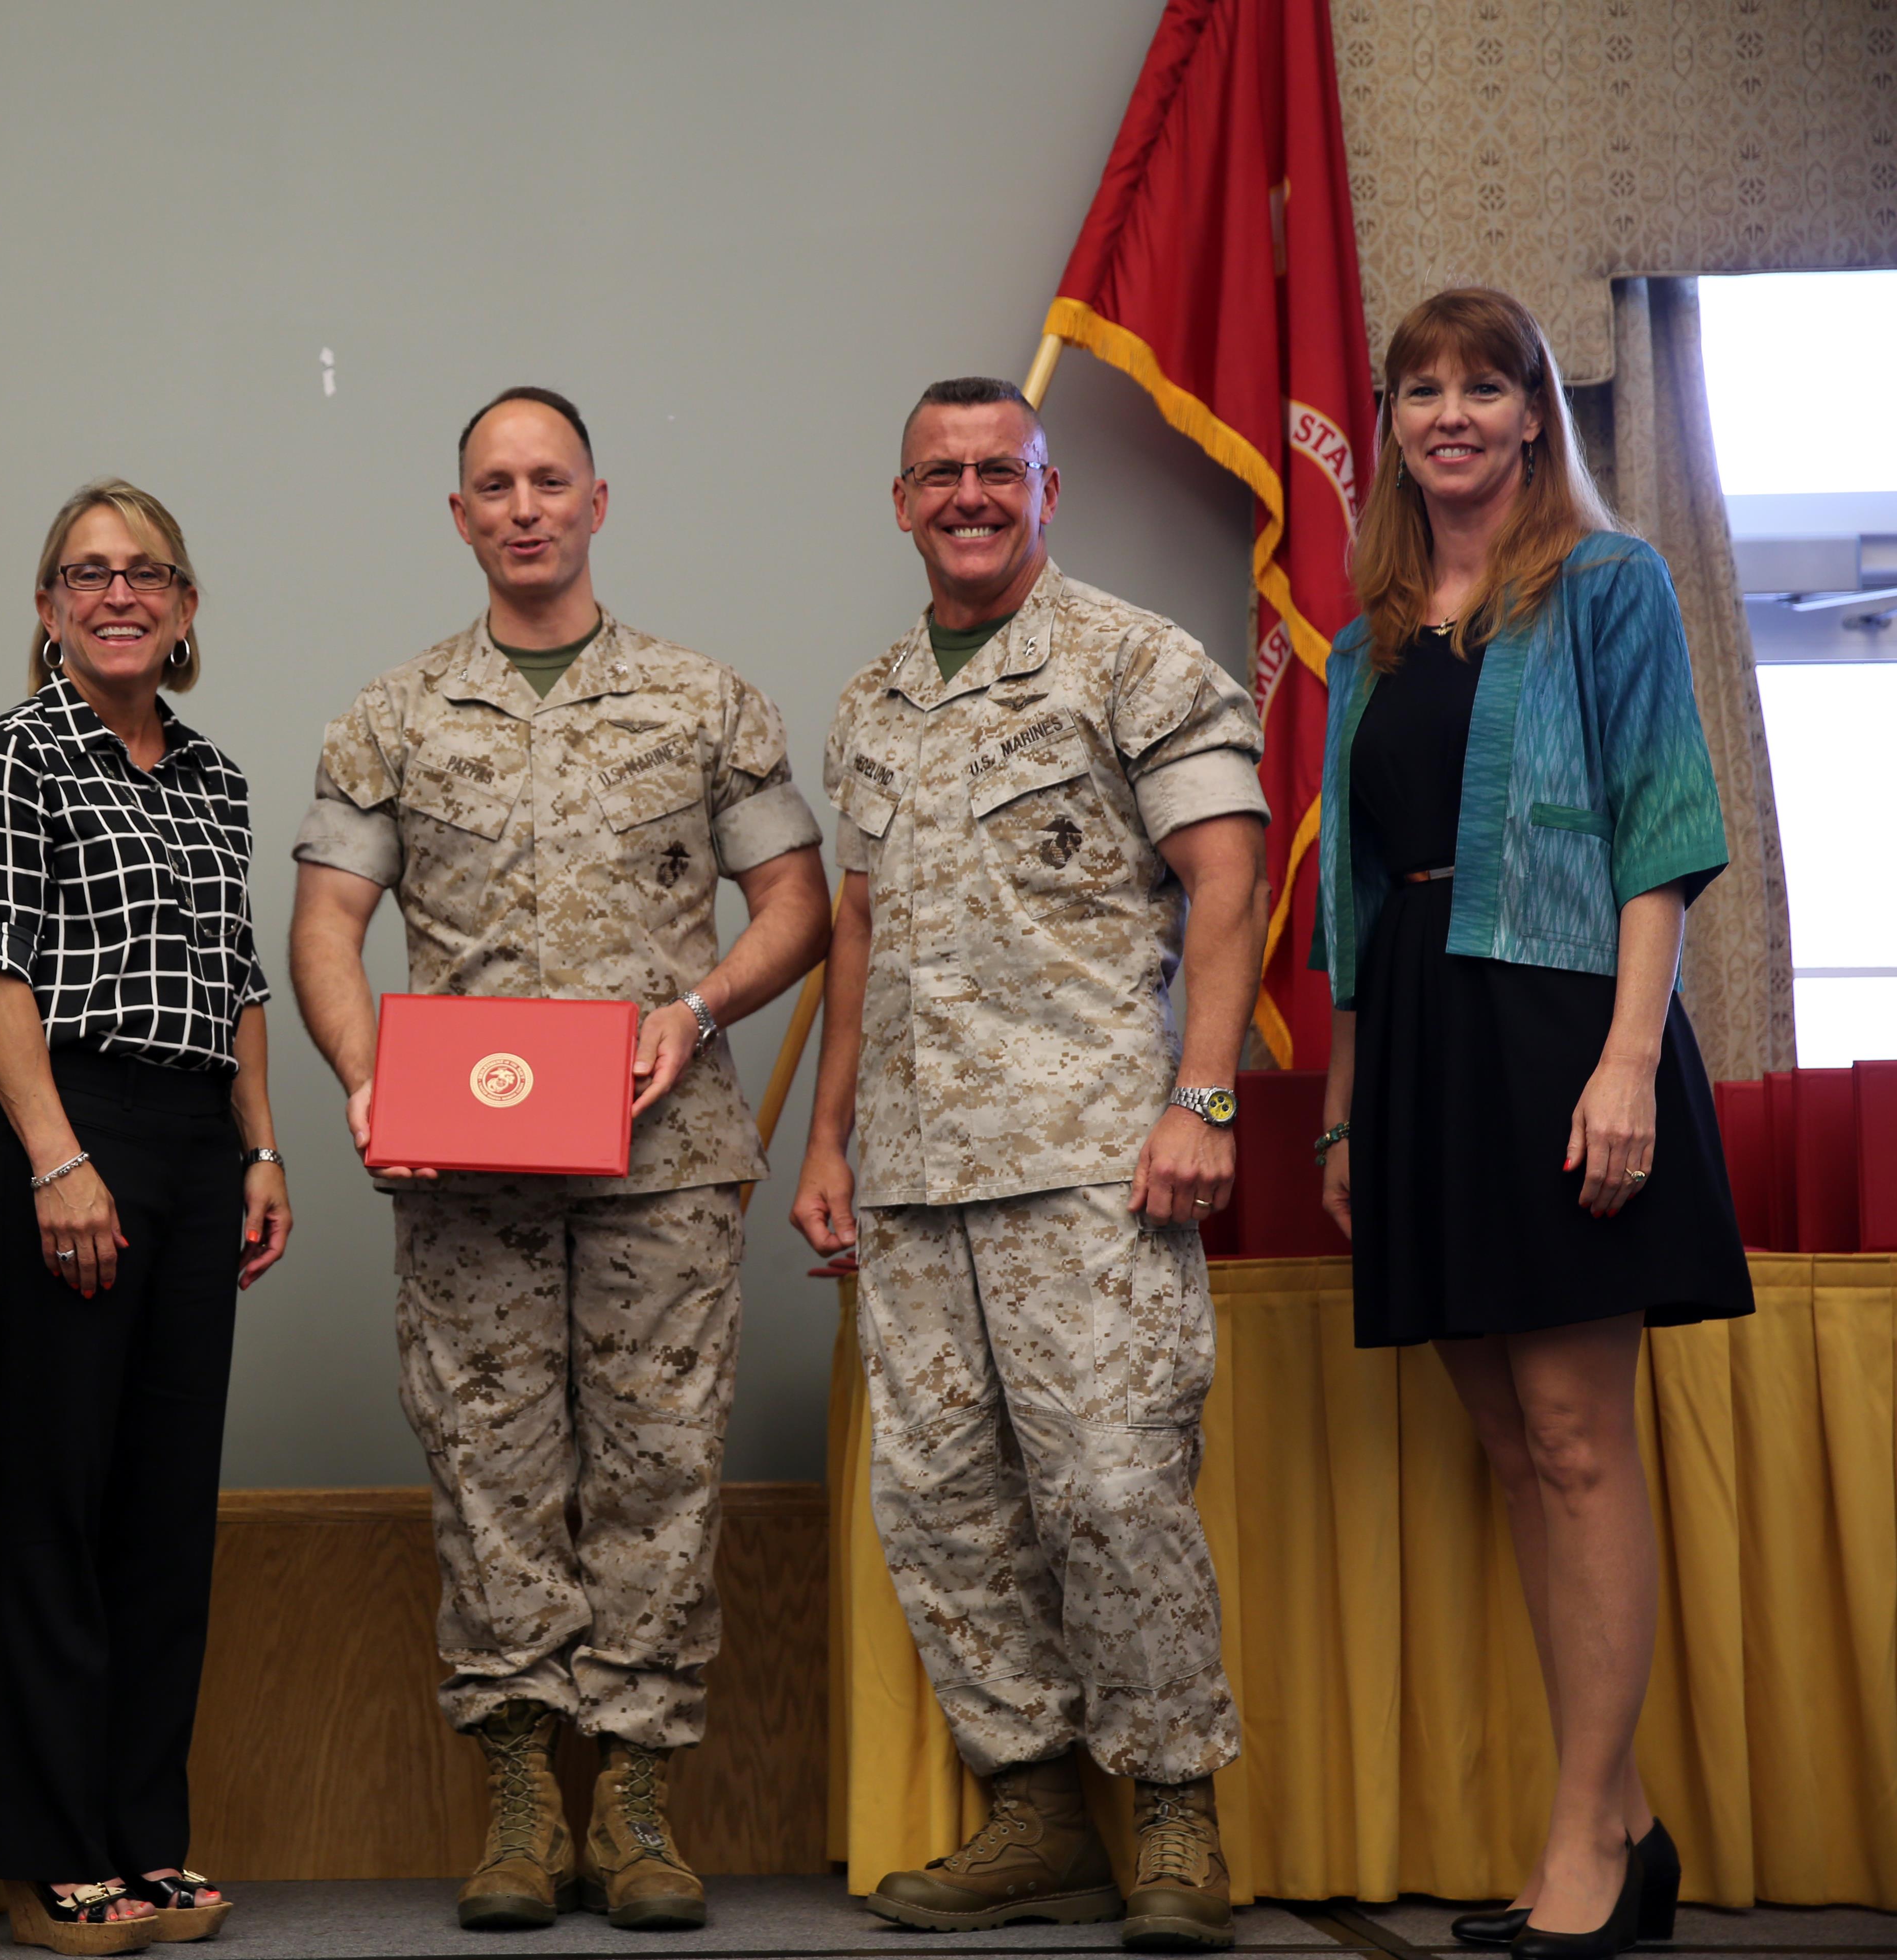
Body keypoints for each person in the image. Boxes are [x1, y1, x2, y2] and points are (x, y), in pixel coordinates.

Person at [289, 386, 830, 1935]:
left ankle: (641, 1800)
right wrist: (367, 1071)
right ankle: (525, 1797)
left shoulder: (704, 700)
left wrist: (700, 1001)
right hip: (466, 1169)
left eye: (550, 482)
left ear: (601, 501)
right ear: (458, 516)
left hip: (664, 1157)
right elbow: (328, 923)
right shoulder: (390, 717)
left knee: (663, 1469)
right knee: (491, 1470)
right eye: (493, 487)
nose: (524, 508)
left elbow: (798, 901)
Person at [793, 376, 1271, 1951]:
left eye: (1001, 469)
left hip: (1089, 1161)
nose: (971, 493)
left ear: (1046, 490)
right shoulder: (867, 700)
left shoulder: (1136, 660)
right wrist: (830, 1136)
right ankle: (1039, 1812)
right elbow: (856, 932)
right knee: (943, 1503)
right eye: (941, 473)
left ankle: (1178, 1821)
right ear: (900, 500)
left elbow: (1226, 882)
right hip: (919, 1175)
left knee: (1118, 1487)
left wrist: (1201, 1102)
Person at [1314, 288, 1749, 1960]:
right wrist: (1348, 1110)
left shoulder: (1609, 584)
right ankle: (1627, 1829)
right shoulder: (1367, 639)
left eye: (1482, 386)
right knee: (1512, 1448)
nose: (1449, 413)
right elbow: (1358, 888)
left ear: (1530, 415)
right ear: (1395, 425)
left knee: (1579, 1444)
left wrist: (1631, 1060)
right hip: (1422, 1043)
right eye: (1419, 388)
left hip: (1567, 1028)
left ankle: (1581, 1838)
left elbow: (1663, 826)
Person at [0, 479, 293, 1956]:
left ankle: (146, 1836)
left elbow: (240, 985)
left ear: (188, 607)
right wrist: (55, 1162)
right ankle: (42, 1853)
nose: (118, 593)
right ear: (46, 609)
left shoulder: (215, 779)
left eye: (147, 572)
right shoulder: (9, 761)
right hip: (60, 1127)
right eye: (86, 573)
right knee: (57, 1499)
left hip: (194, 1142)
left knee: (162, 1510)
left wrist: (261, 1150)